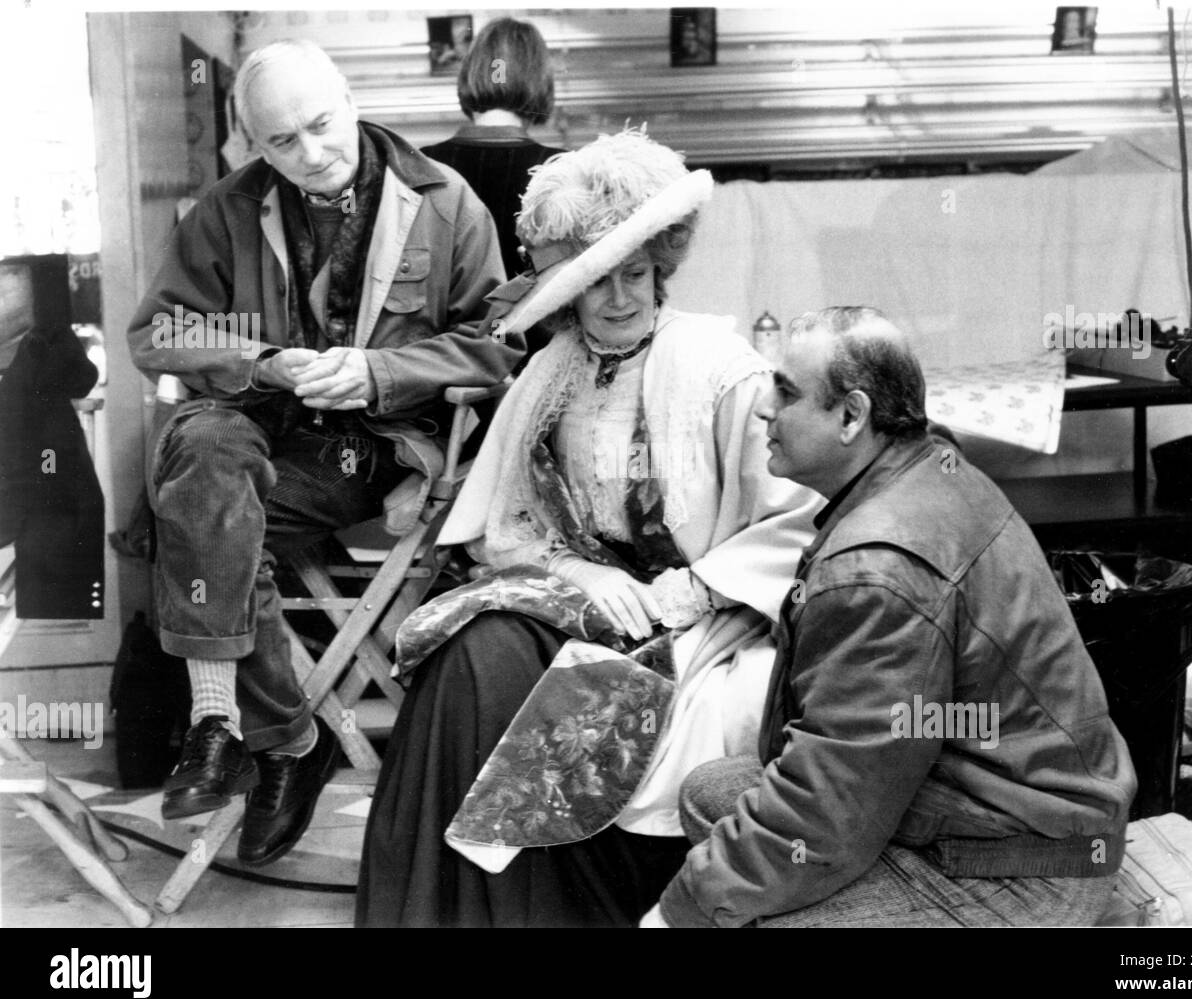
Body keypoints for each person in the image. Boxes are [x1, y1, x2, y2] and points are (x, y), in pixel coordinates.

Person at [356, 129, 821, 927]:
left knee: (590, 694)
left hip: (701, 615)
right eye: (595, 282)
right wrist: (583, 576)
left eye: (634, 275)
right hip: (580, 601)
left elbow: (796, 521)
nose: (617, 299)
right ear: (567, 290)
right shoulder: (551, 369)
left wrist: (688, 590)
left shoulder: (721, 366)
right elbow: (505, 524)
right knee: (472, 660)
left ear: (661, 265)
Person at [127, 38, 520, 867]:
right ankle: (253, 730)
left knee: (203, 519)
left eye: (321, 125)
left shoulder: (446, 203)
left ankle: (277, 743)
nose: (310, 155)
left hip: (370, 448)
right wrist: (258, 361)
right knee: (203, 456)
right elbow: (158, 331)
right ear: (252, 145)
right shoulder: (226, 210)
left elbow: (497, 347)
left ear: (351, 96)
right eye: (281, 142)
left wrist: (380, 372)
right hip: (257, 431)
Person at [647, 306, 1137, 928]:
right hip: (988, 811)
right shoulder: (929, 466)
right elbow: (848, 760)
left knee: (738, 910)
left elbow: (830, 812)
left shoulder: (876, 567)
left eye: (787, 392)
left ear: (852, 416)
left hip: (1022, 866)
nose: (765, 409)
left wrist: (674, 915)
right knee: (710, 793)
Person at [423, 17, 564, 367]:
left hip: (436, 368)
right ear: (539, 81)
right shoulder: (562, 170)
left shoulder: (419, 166)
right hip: (536, 366)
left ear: (471, 73)